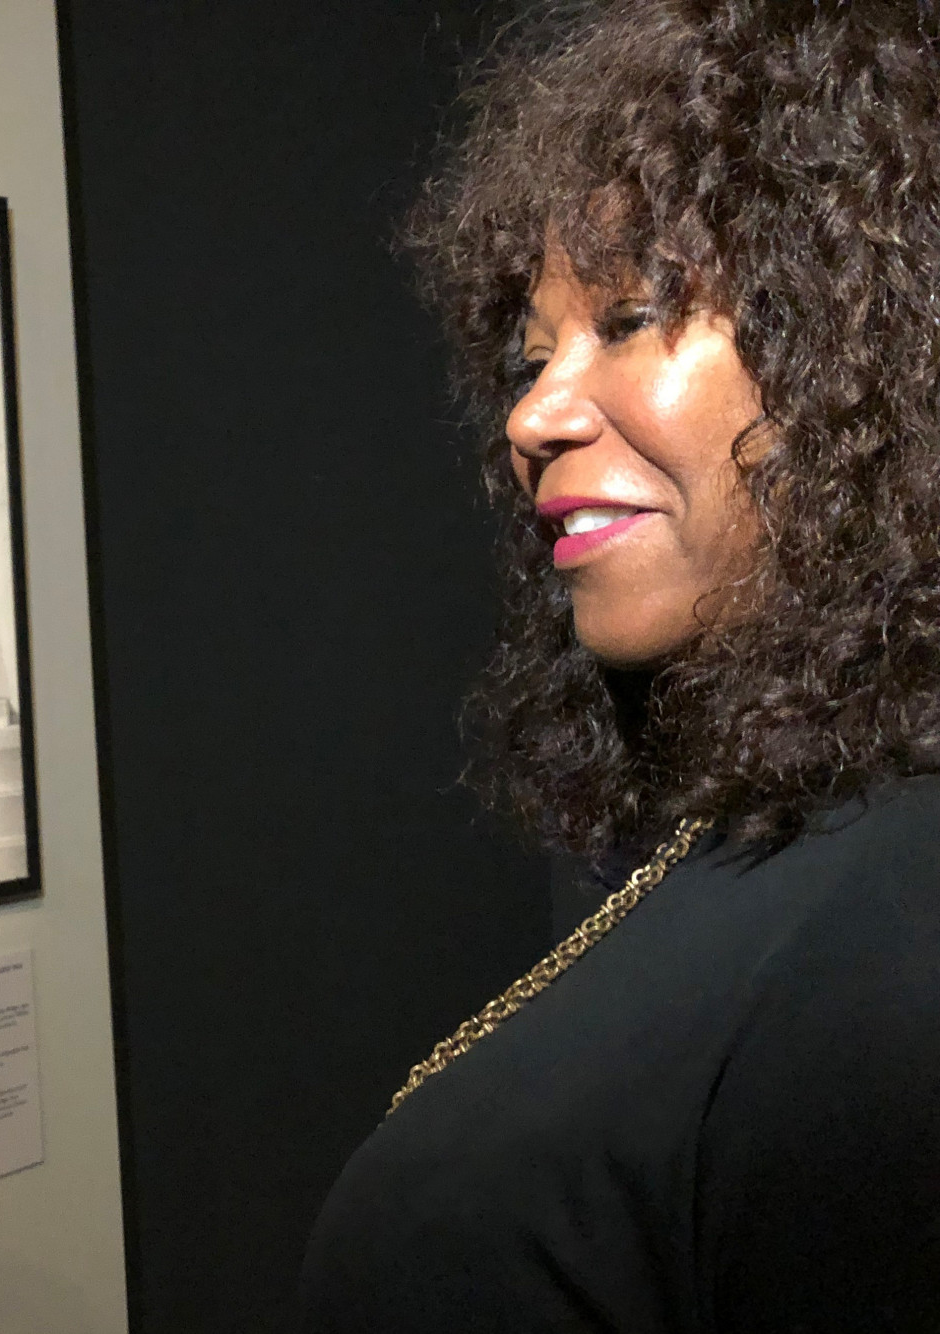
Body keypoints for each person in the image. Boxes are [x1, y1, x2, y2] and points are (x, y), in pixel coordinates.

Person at [297, 1, 940, 1328]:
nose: (533, 412)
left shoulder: (899, 960)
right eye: (531, 355)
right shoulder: (752, 833)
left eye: (632, 316)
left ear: (869, 345)